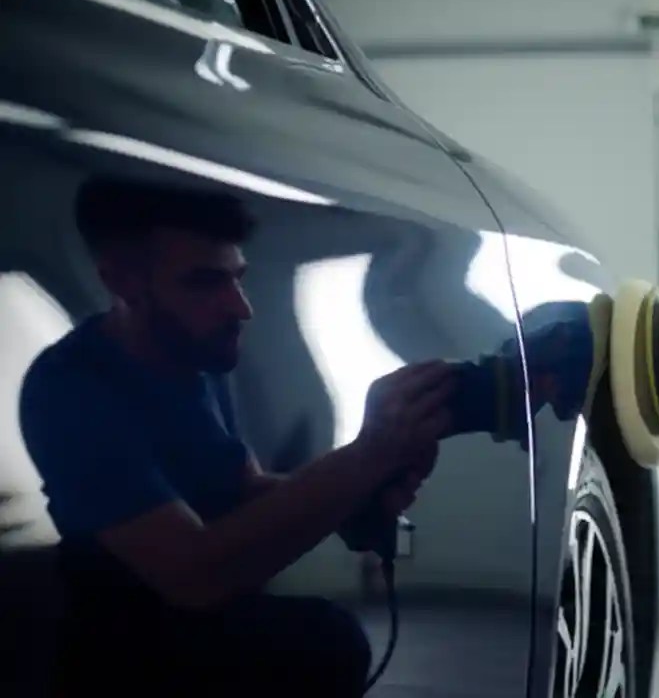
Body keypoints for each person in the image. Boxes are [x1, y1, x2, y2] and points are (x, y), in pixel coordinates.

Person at [19, 177, 454, 696]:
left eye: (236, 278)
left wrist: (356, 498)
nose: (240, 308)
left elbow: (241, 487)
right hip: (123, 651)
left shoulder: (196, 355)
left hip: (199, 628)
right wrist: (366, 456)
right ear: (122, 282)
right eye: (205, 282)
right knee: (325, 642)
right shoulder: (71, 387)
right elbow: (191, 576)